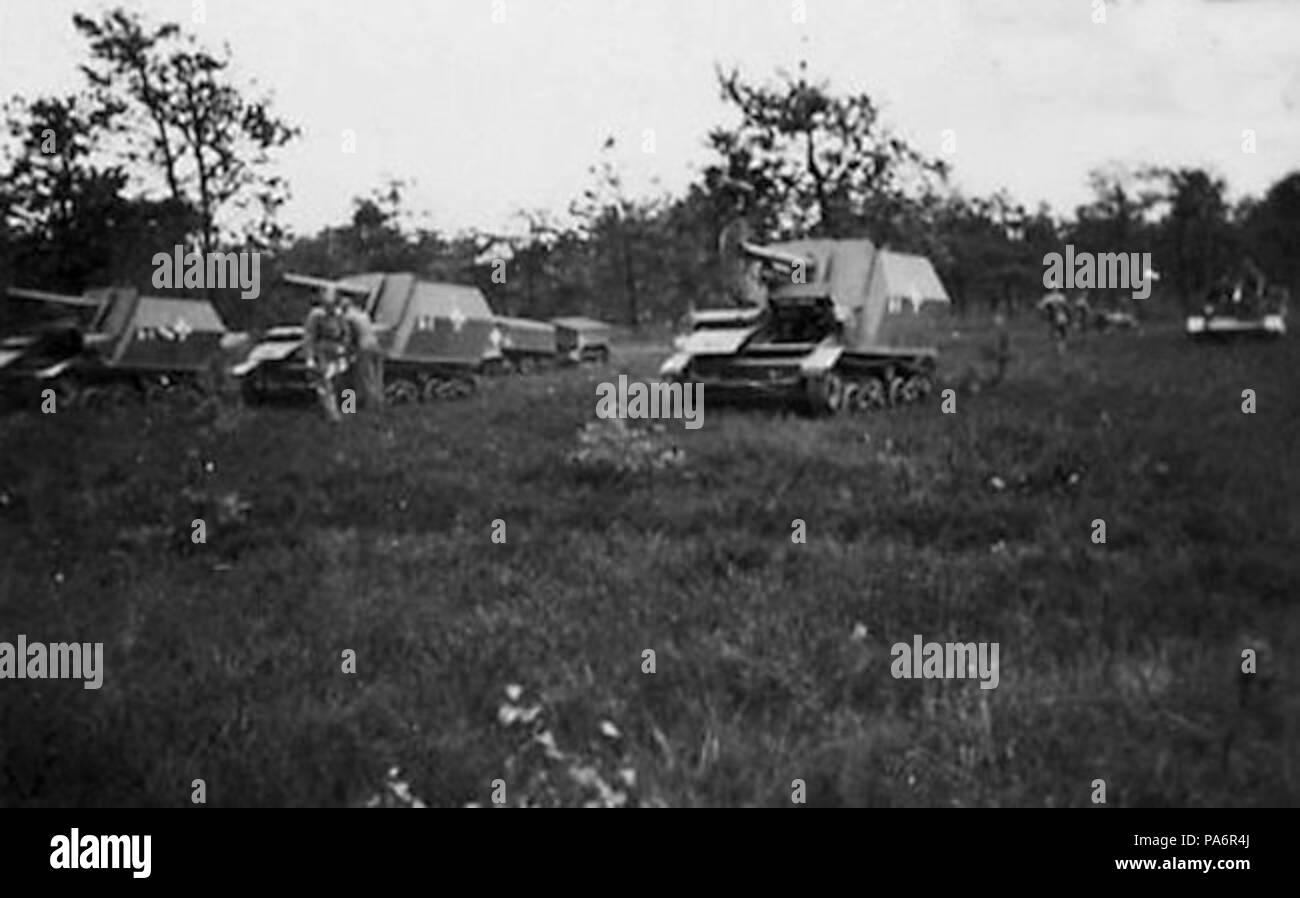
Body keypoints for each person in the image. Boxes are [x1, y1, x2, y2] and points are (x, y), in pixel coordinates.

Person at [302, 288, 352, 422]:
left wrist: (345, 348)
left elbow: (346, 333)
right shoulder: (316, 315)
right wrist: (310, 358)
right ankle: (332, 416)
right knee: (325, 383)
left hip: (338, 351)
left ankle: (348, 409)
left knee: (344, 382)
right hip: (323, 351)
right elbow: (309, 337)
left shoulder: (339, 315)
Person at [343, 293, 384, 409]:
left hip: (364, 347)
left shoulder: (348, 317)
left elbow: (349, 336)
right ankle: (380, 404)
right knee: (377, 377)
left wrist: (347, 351)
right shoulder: (363, 314)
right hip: (376, 346)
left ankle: (365, 406)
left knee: (366, 378)